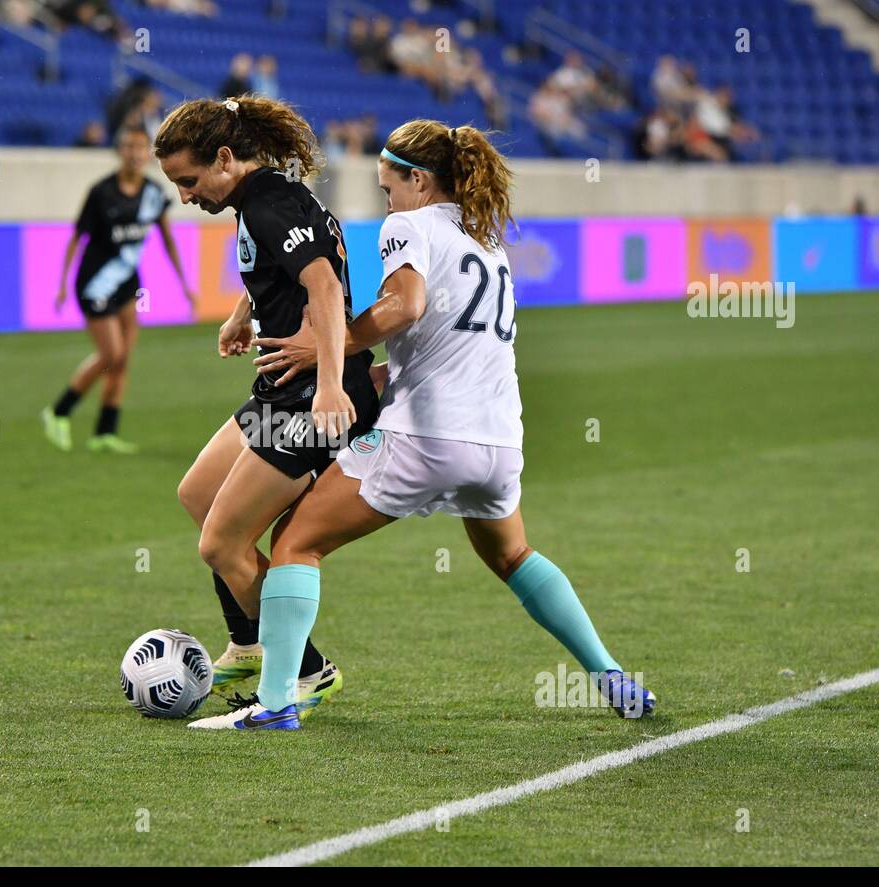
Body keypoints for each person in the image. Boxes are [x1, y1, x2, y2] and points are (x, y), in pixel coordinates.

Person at [189, 119, 655, 730]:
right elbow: (436, 351)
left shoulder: (408, 226)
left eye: (390, 189)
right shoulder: (485, 240)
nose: (388, 201)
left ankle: (278, 702)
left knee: (295, 545)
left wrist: (327, 348)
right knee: (514, 554)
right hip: (497, 443)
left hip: (425, 439)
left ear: (419, 181)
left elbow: (405, 307)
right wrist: (359, 369)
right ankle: (609, 673)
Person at [153, 94, 380, 709]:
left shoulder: (273, 204)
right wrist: (240, 312)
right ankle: (250, 644)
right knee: (197, 495)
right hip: (284, 385)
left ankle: (306, 671)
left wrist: (332, 384)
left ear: (225, 158)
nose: (185, 195)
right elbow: (278, 270)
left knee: (221, 544)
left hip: (313, 395)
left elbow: (327, 287)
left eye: (188, 180)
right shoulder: (256, 196)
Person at [42, 124, 193, 454]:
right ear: (119, 150)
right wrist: (62, 285)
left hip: (128, 284)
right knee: (111, 354)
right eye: (128, 146)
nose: (135, 153)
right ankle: (58, 411)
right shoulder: (101, 192)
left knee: (123, 359)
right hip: (95, 283)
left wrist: (183, 282)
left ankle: (104, 432)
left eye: (141, 147)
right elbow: (77, 237)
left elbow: (167, 240)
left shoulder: (153, 193)